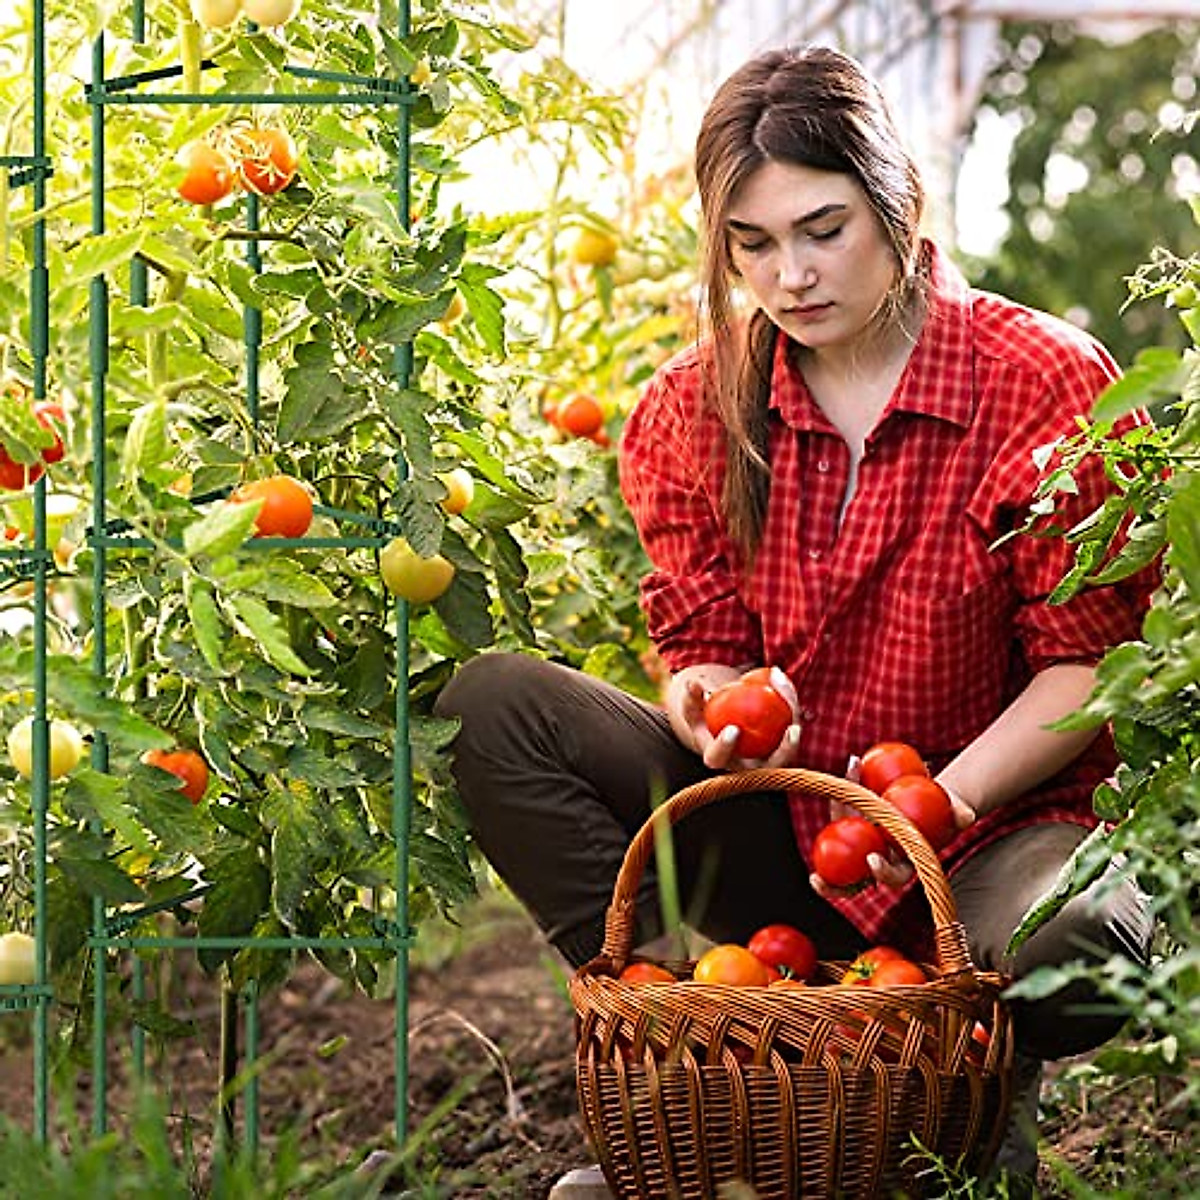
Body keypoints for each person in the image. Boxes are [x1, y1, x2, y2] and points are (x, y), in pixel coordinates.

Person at [435, 44, 1155, 1198]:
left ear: (896, 203)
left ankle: (962, 1106)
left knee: (1078, 937)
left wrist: (935, 805)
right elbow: (702, 638)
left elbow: (1087, 669)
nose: (792, 276)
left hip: (985, 839)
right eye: (754, 244)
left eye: (824, 229)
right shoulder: (697, 403)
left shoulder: (1041, 382)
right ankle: (714, 1059)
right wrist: (710, 708)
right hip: (785, 833)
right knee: (493, 707)